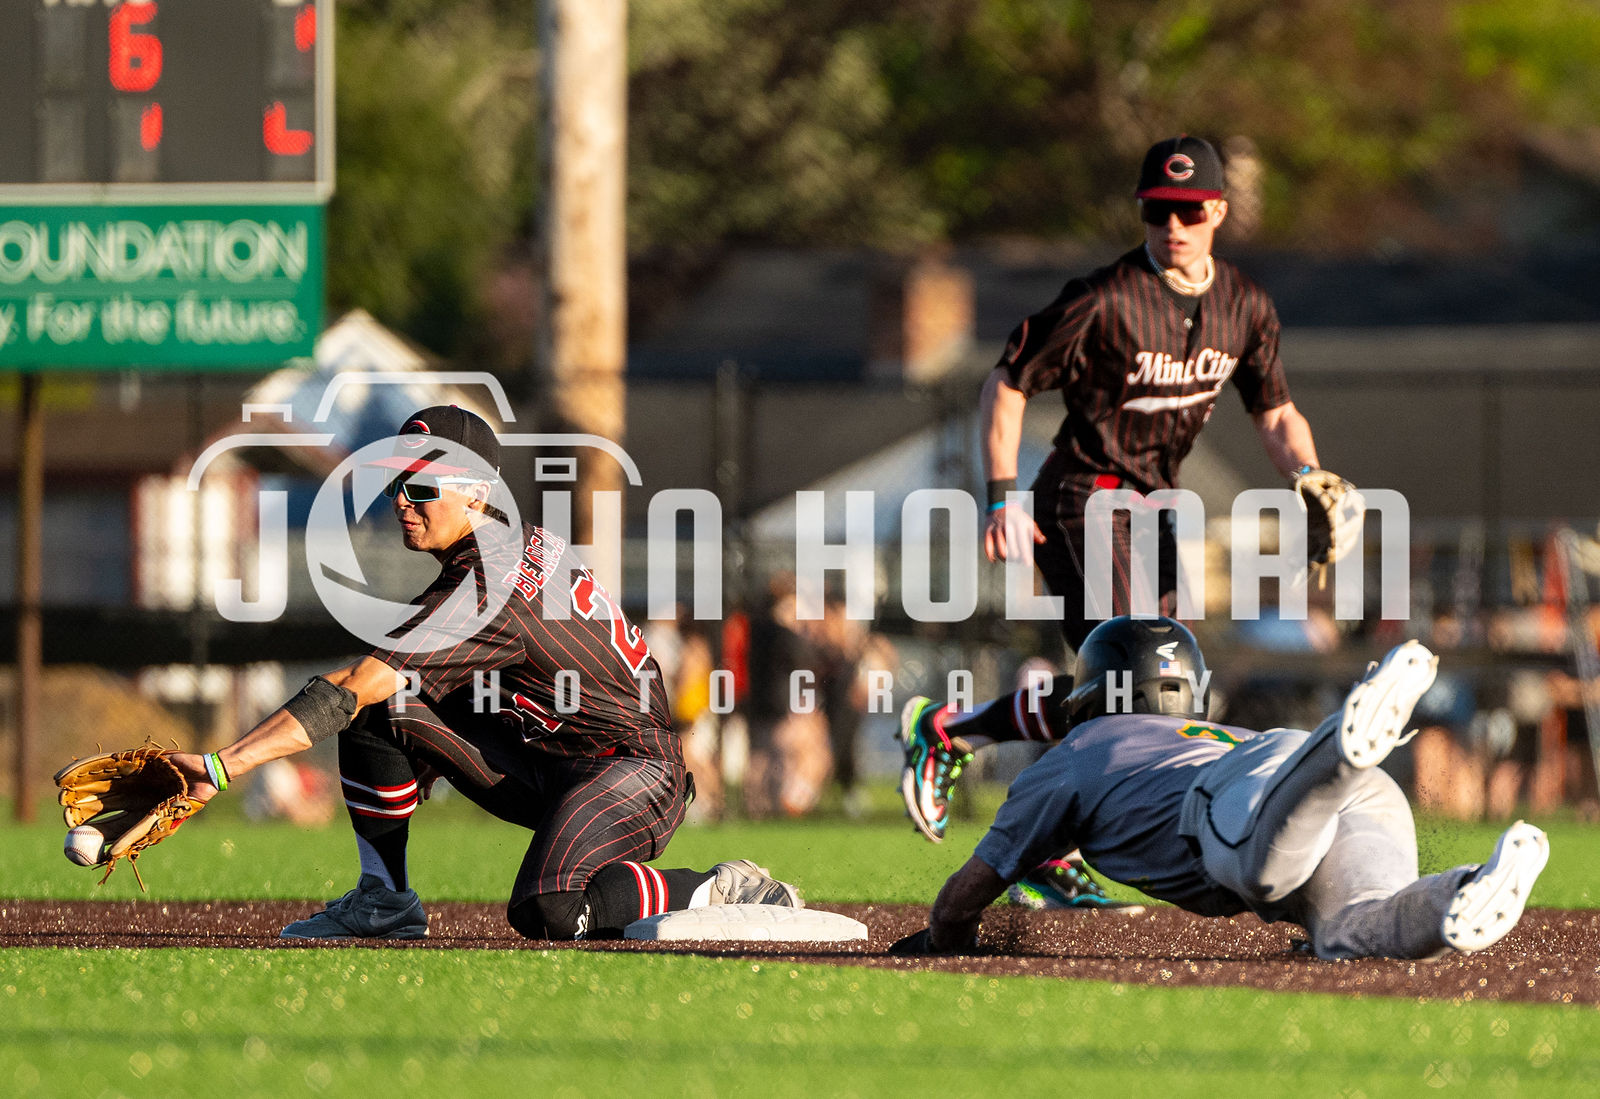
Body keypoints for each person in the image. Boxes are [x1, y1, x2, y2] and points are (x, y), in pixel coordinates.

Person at [899, 134, 1336, 908]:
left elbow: (1275, 413)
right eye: (1159, 210)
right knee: (1133, 690)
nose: (1175, 225)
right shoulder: (1103, 299)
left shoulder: (1245, 306)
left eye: (1190, 210)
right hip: (1083, 495)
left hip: (1157, 506)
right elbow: (1007, 384)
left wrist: (1305, 473)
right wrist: (1000, 495)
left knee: (1158, 694)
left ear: (1219, 213)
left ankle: (956, 736)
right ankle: (1034, 835)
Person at [170, 405, 801, 940]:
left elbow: (348, 685)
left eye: (421, 487)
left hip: (633, 771)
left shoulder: (487, 584)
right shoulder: (503, 548)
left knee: (548, 909)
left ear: (475, 492)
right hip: (557, 756)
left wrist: (218, 768)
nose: (401, 501)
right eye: (396, 485)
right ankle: (385, 898)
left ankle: (715, 888)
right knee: (384, 707)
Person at [891, 617, 1550, 961]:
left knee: (1259, 873)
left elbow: (968, 891)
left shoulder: (1080, 750)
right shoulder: (1206, 729)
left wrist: (940, 939)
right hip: (1317, 782)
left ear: (1097, 684)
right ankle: (1464, 891)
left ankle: (1345, 744)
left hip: (1260, 788)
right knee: (1351, 934)